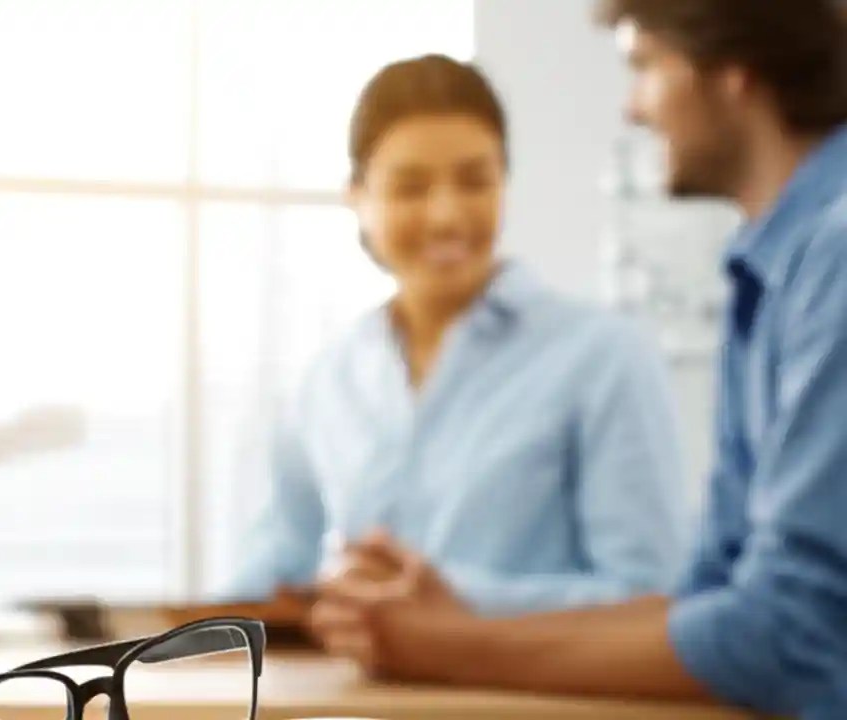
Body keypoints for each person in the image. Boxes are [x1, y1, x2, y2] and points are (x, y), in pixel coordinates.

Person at [309, 1, 847, 718]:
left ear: (731, 71)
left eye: (645, 66)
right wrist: (449, 621)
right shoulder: (772, 268)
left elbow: (789, 633)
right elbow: (709, 597)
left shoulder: (835, 256)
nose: (633, 109)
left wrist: (444, 644)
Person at [226, 55, 687, 617]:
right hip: (355, 680)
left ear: (505, 186)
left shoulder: (604, 358)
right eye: (410, 188)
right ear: (357, 197)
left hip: (529, 680)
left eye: (474, 182)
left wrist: (445, 602)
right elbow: (273, 577)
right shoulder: (326, 382)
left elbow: (649, 598)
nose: (446, 215)